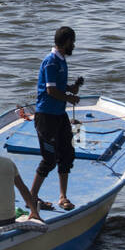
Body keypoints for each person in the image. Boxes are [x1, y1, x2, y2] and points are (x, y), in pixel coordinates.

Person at [28, 27, 83, 212]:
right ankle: (32, 197)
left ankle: (62, 197)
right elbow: (50, 91)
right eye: (72, 42)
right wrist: (70, 98)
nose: (73, 45)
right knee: (49, 159)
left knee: (66, 155)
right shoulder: (51, 62)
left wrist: (71, 88)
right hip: (46, 117)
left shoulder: (61, 60)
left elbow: (57, 86)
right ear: (66, 41)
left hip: (60, 115)